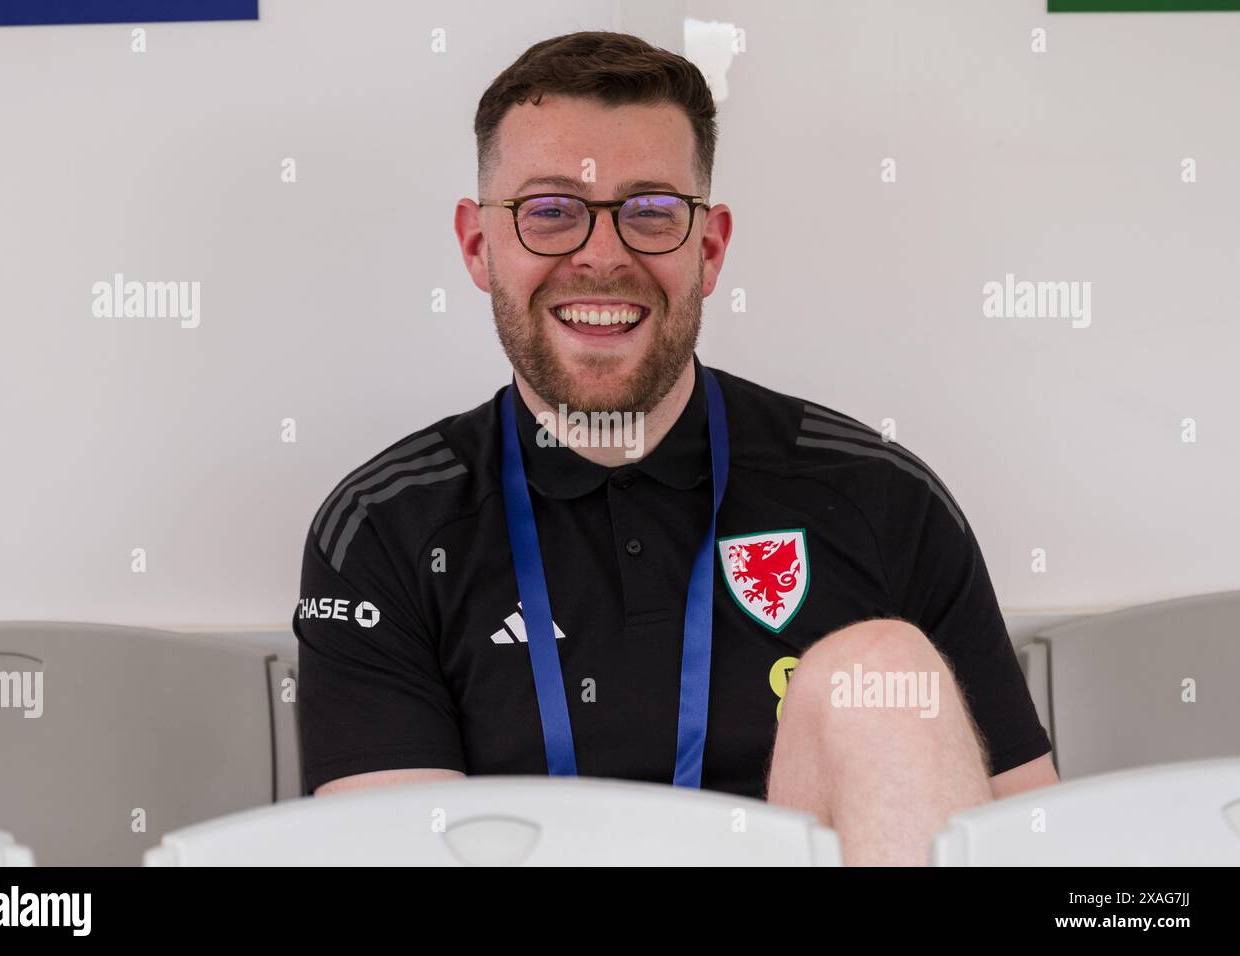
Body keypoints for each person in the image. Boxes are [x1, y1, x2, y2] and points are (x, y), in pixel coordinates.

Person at [293, 30, 1058, 865]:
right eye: (550, 212)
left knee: (879, 667)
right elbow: (395, 852)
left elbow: (1039, 842)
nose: (602, 256)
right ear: (480, 247)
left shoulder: (884, 498)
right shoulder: (383, 532)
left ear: (709, 247)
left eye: (651, 213)